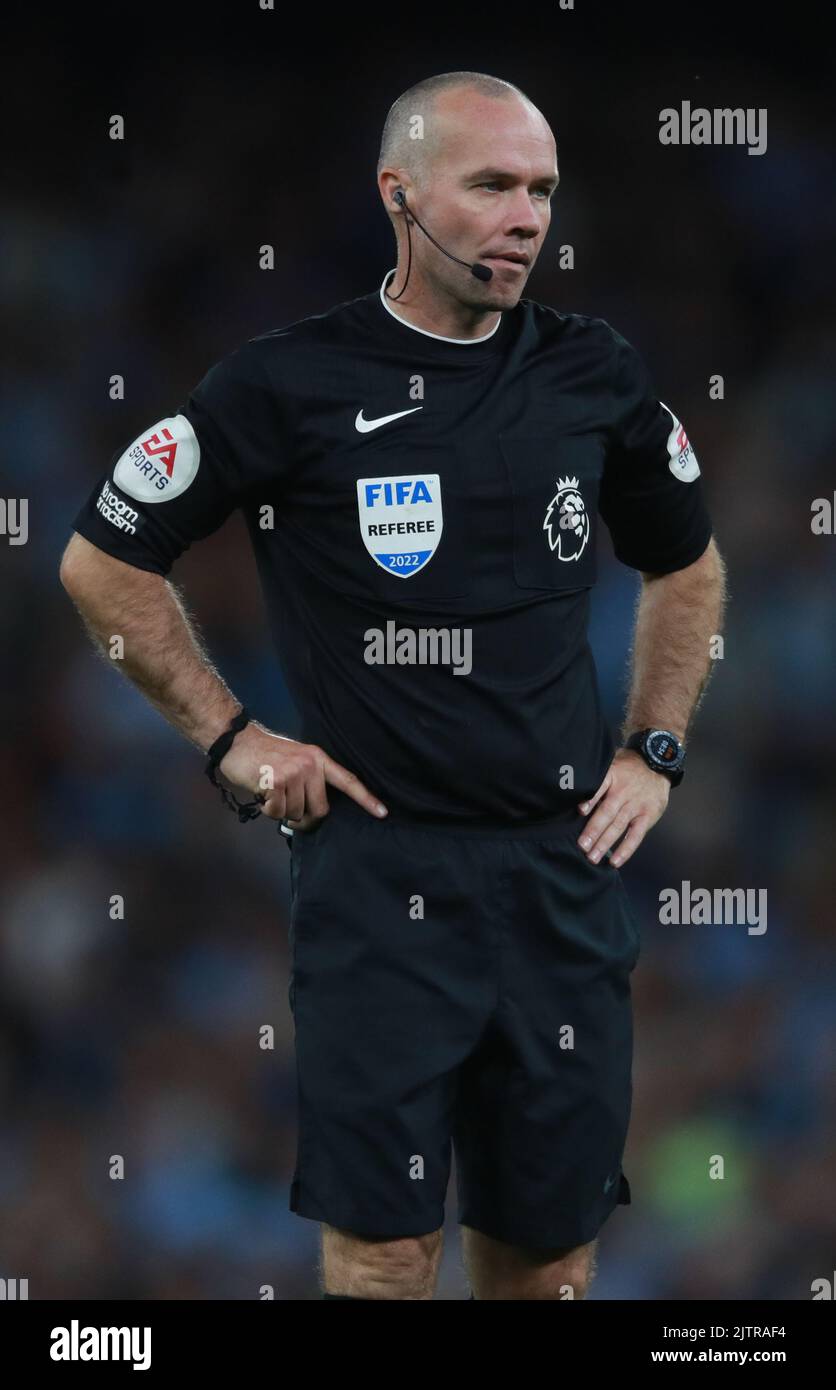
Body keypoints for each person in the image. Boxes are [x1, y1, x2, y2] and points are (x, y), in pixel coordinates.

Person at [60, 70, 727, 1299]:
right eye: (491, 187)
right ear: (399, 194)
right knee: (383, 1256)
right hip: (379, 874)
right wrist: (232, 740)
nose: (526, 217)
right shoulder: (286, 384)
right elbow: (102, 560)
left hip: (557, 874)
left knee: (549, 1261)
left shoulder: (593, 374)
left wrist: (656, 747)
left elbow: (685, 566)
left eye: (539, 191)